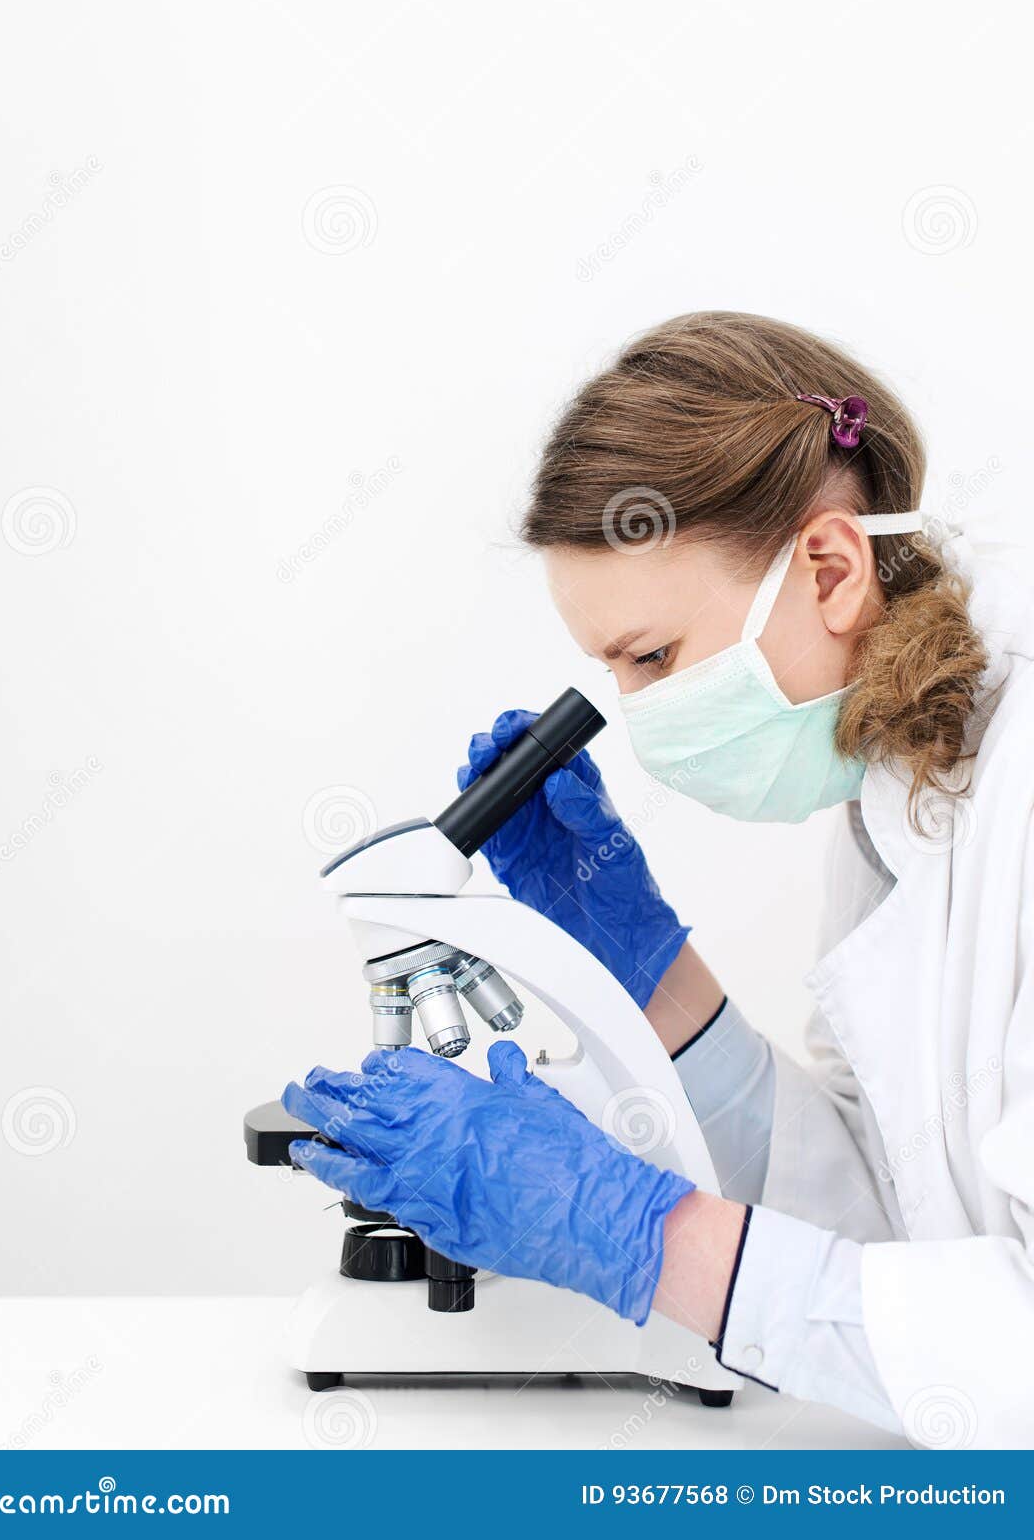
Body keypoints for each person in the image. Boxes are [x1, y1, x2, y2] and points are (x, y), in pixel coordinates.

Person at [284, 311, 1034, 1447]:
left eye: (651, 657)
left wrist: (637, 1230)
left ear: (827, 567)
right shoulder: (898, 780)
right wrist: (646, 967)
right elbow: (902, 1227)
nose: (637, 715)